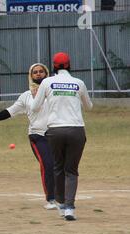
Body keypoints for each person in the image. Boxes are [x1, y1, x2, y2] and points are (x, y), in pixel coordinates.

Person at [0, 63, 57, 210]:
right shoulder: (26, 96)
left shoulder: (54, 92)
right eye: (35, 72)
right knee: (47, 164)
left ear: (47, 74)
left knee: (59, 166)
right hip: (37, 136)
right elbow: (10, 112)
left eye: (41, 71)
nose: (38, 74)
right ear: (31, 76)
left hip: (57, 134)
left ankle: (61, 195)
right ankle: (51, 199)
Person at [30, 52, 93, 221]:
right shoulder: (78, 83)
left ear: (54, 66)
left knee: (58, 167)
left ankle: (60, 203)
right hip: (76, 130)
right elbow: (89, 107)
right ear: (69, 65)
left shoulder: (47, 82)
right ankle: (70, 209)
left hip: (55, 131)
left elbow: (35, 107)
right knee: (71, 170)